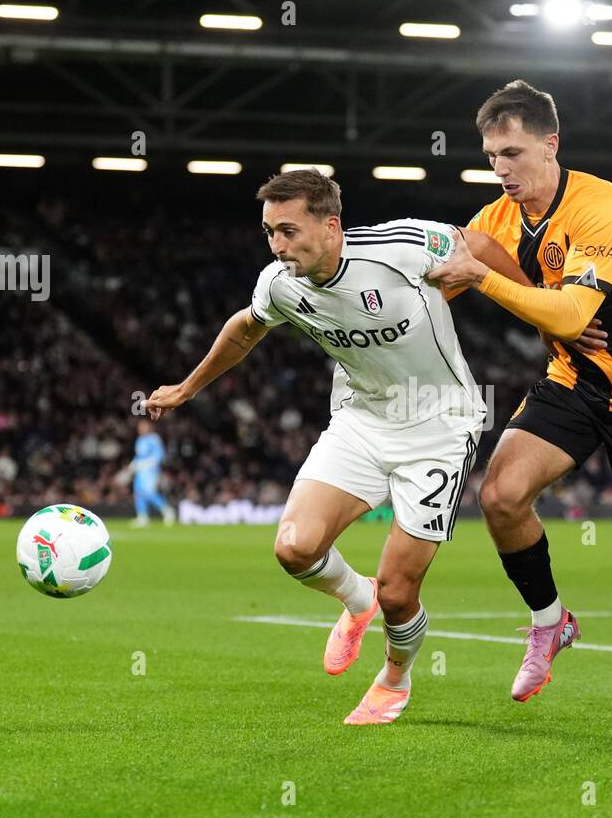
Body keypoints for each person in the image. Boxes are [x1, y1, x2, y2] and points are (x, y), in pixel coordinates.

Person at [145, 170, 530, 723]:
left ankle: (395, 676)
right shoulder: (280, 283)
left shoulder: (400, 246)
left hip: (440, 428)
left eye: (288, 230)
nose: (278, 246)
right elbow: (245, 329)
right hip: (362, 421)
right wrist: (187, 388)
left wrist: (540, 311)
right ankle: (356, 598)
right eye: (268, 233)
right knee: (294, 547)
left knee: (401, 592)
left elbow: (481, 246)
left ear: (331, 227)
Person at [428, 80, 612, 718]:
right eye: (490, 157)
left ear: (550, 144)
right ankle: (551, 622)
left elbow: (568, 311)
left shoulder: (601, 207)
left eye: (512, 152)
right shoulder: (497, 221)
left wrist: (485, 279)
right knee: (500, 496)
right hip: (576, 376)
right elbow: (438, 285)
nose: (501, 169)